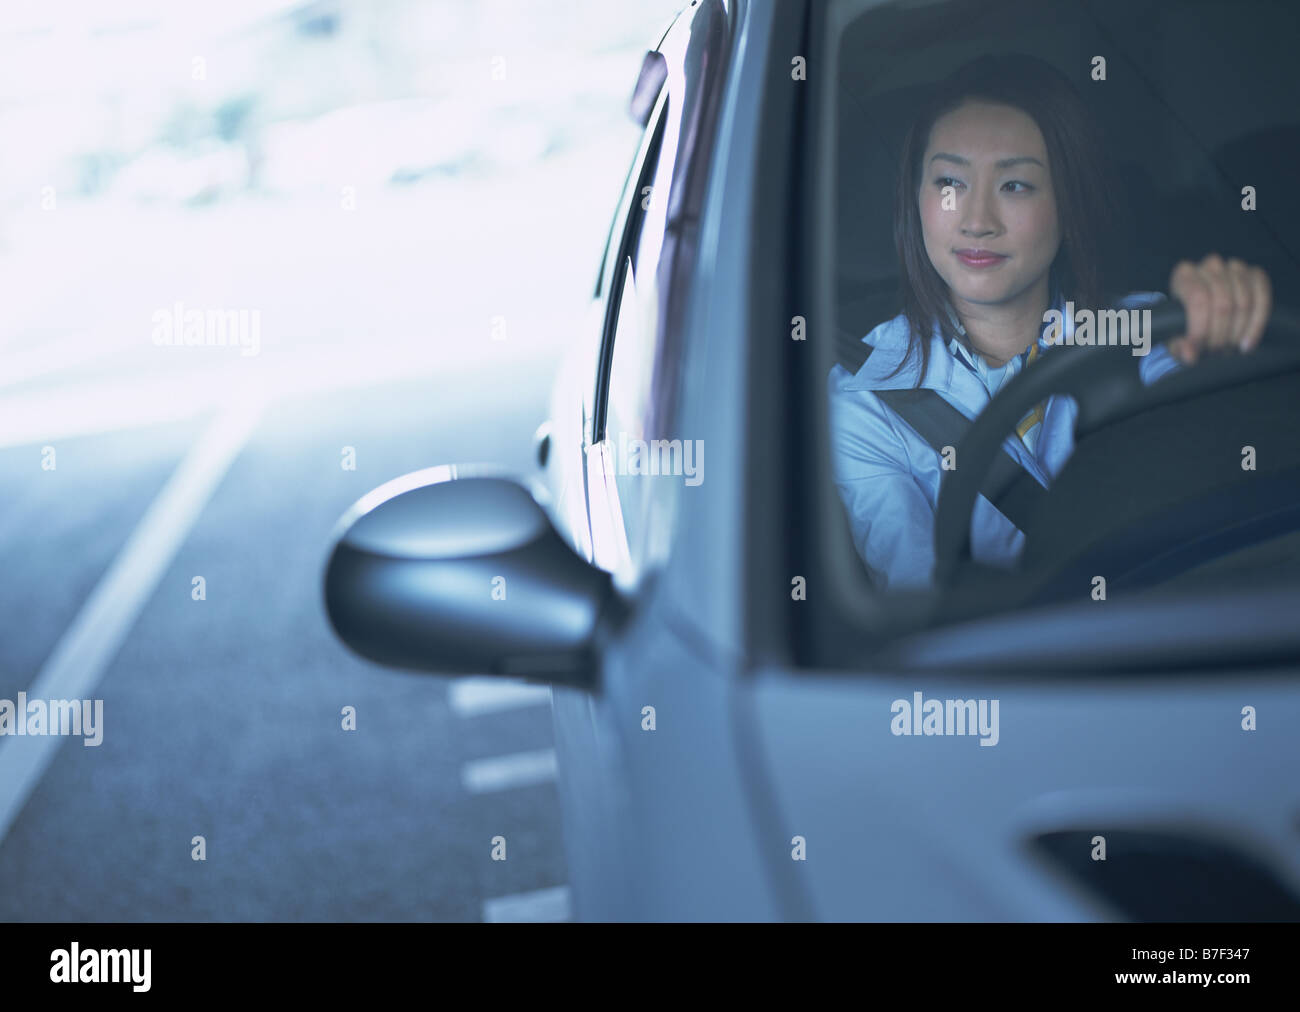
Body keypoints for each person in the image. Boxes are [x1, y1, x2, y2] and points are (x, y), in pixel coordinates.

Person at [828, 53, 1273, 590]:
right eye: (950, 182)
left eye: (1015, 185)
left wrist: (1231, 335)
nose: (977, 221)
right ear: (914, 200)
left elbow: (1231, 512)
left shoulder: (1153, 329)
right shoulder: (869, 397)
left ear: (1069, 200)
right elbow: (927, 608)